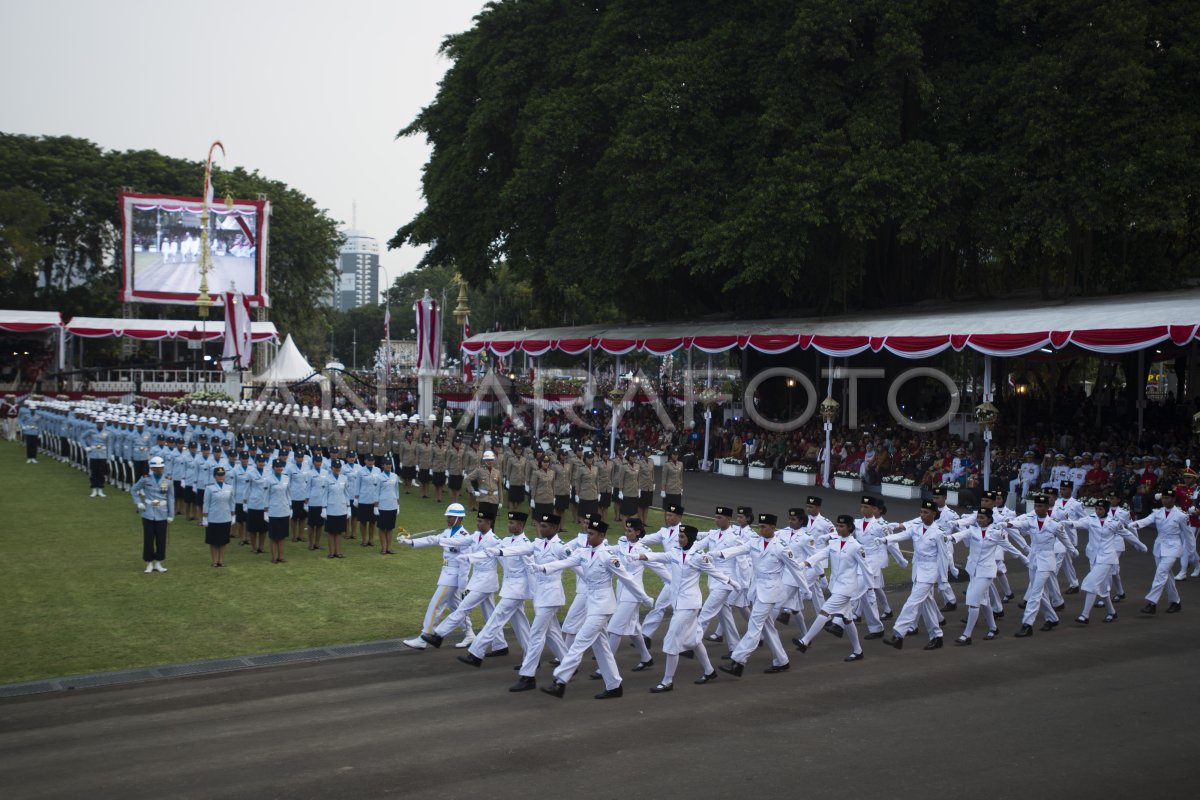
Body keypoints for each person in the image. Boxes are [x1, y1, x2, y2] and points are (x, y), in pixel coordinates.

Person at [537, 519, 653, 700]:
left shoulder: (608, 557)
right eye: (588, 532)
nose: (588, 536)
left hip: (603, 606)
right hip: (592, 604)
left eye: (591, 533)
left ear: (601, 536)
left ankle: (559, 681)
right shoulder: (583, 552)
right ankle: (614, 685)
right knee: (602, 648)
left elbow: (627, 579)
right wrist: (543, 567)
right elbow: (564, 563)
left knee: (580, 642)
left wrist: (644, 598)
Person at [638, 524, 730, 691]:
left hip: (690, 605)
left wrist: (733, 583)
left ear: (690, 539)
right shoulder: (675, 552)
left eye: (682, 537)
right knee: (694, 640)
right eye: (679, 536)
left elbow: (715, 572)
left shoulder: (697, 557)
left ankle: (667, 681)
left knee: (672, 639)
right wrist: (644, 556)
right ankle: (709, 671)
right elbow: (662, 556)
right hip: (679, 604)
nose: (679, 539)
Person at [717, 514, 808, 677]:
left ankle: (738, 661)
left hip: (771, 591)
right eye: (760, 526)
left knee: (754, 627)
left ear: (773, 528)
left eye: (765, 526)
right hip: (757, 588)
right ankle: (782, 661)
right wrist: (720, 554)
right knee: (767, 627)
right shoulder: (755, 542)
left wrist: (805, 589)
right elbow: (739, 549)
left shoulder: (781, 547)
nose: (761, 529)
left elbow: (796, 569)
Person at [457, 511, 535, 667]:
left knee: (495, 619)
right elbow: (489, 553)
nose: (509, 525)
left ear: (520, 525)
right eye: (508, 522)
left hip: (518, 590)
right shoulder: (506, 540)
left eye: (512, 523)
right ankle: (531, 658)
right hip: (509, 588)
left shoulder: (526, 544)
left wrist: (534, 595)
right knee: (521, 625)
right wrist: (470, 558)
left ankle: (475, 653)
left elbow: (531, 570)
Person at [419, 510, 506, 650]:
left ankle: (438, 635)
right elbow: (458, 541)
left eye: (480, 521)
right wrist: (439, 540)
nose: (477, 523)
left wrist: (467, 558)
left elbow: (504, 561)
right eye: (477, 520)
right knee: (490, 615)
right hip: (478, 579)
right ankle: (500, 645)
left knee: (463, 608)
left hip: (486, 581)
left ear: (489, 523)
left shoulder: (495, 540)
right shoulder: (476, 535)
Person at [398, 503, 475, 649]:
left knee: (435, 605)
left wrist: (462, 585)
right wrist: (411, 541)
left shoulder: (464, 537)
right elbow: (432, 539)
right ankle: (470, 634)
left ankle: (423, 637)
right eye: (448, 516)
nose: (448, 519)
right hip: (446, 572)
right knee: (457, 607)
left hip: (454, 577)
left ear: (459, 518)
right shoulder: (448, 532)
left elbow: (466, 562)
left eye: (451, 516)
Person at [508, 512, 570, 692]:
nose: (540, 529)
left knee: (535, 635)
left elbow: (575, 563)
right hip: (541, 595)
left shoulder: (560, 547)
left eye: (544, 526)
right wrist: (497, 552)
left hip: (552, 596)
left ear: (555, 528)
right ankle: (568, 666)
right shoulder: (537, 543)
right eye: (540, 526)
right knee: (552, 632)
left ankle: (528, 677)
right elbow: (519, 549)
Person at [795, 514, 870, 661]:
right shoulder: (835, 543)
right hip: (836, 586)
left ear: (849, 528)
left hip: (847, 588)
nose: (838, 528)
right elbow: (821, 554)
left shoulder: (856, 547)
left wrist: (870, 587)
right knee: (847, 620)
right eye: (837, 525)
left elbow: (866, 569)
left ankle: (805, 640)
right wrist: (805, 564)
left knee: (824, 611)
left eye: (842, 526)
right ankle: (858, 650)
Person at [1002, 493, 1078, 636]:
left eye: (1040, 506)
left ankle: (1027, 624)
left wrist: (1073, 550)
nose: (1037, 508)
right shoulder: (1031, 521)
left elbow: (1065, 539)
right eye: (1036, 506)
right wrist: (1008, 523)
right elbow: (1019, 524)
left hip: (1047, 562)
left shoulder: (1055, 524)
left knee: (1035, 593)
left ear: (1047, 507)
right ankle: (1052, 618)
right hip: (1034, 560)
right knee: (1041, 593)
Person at [947, 508, 1026, 643]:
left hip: (987, 572)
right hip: (973, 570)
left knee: (973, 601)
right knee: (985, 602)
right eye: (978, 517)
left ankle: (967, 635)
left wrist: (1024, 558)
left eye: (982, 518)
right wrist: (946, 537)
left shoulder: (995, 533)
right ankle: (993, 628)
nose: (979, 520)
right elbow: (959, 536)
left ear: (989, 519)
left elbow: (1009, 547)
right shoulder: (973, 530)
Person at [1067, 500, 1147, 624]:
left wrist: (1140, 545)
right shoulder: (1090, 519)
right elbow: (1077, 523)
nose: (1098, 511)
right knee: (1103, 588)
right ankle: (1112, 612)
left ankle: (1085, 615)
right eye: (1096, 509)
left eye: (1101, 509)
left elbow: (1127, 535)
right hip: (1093, 557)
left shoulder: (1114, 523)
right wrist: (1064, 523)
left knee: (1091, 583)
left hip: (1107, 558)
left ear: (1106, 509)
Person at [1130, 489, 1193, 614]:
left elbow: (1189, 535)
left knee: (1161, 573)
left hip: (1173, 547)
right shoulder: (1158, 512)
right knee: (1167, 575)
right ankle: (1176, 602)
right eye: (1164, 498)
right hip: (1159, 547)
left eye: (1168, 498)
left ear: (1174, 499)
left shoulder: (1181, 516)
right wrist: (1134, 524)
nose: (1165, 500)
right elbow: (1146, 520)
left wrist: (1190, 553)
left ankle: (1151, 603)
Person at [132, 456, 174, 573]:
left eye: (160, 467)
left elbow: (171, 498)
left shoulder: (168, 479)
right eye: (156, 468)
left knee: (161, 539)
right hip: (148, 513)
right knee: (148, 539)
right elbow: (134, 490)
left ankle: (159, 563)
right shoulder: (146, 478)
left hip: (162, 513)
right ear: (152, 468)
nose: (159, 470)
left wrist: (171, 514)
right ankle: (149, 563)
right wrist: (138, 503)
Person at [202, 466, 236, 567]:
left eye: (222, 475)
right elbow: (206, 503)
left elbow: (232, 502)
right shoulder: (209, 488)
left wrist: (233, 515)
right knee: (214, 541)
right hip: (213, 518)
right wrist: (204, 517)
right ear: (214, 476)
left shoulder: (229, 487)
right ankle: (214, 561)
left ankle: (221, 561)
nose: (221, 477)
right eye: (218, 475)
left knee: (223, 541)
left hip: (225, 517)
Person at [263, 458, 292, 564]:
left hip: (284, 509)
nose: (279, 468)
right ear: (273, 467)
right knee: (273, 536)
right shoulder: (268, 479)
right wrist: (265, 511)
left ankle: (281, 556)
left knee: (282, 535)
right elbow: (265, 496)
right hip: (273, 510)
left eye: (280, 466)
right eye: (277, 466)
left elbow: (288, 494)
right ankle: (274, 557)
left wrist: (290, 507)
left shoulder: (286, 478)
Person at [375, 457, 401, 554]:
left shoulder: (394, 476)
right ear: (382, 465)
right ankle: (383, 548)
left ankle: (389, 548)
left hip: (392, 505)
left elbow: (396, 491)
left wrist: (398, 505)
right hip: (382, 505)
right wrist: (375, 506)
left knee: (390, 528)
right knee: (382, 527)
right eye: (386, 464)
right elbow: (376, 492)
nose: (388, 466)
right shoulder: (379, 477)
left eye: (389, 464)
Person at [82, 416, 111, 497]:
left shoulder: (107, 432)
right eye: (99, 423)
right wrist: (86, 447)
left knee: (102, 473)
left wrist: (108, 456)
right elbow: (82, 437)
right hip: (93, 454)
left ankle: (101, 489)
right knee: (94, 472)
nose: (100, 424)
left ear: (104, 423)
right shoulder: (91, 431)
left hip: (103, 455)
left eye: (101, 423)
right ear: (96, 423)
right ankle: (94, 489)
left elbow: (109, 445)